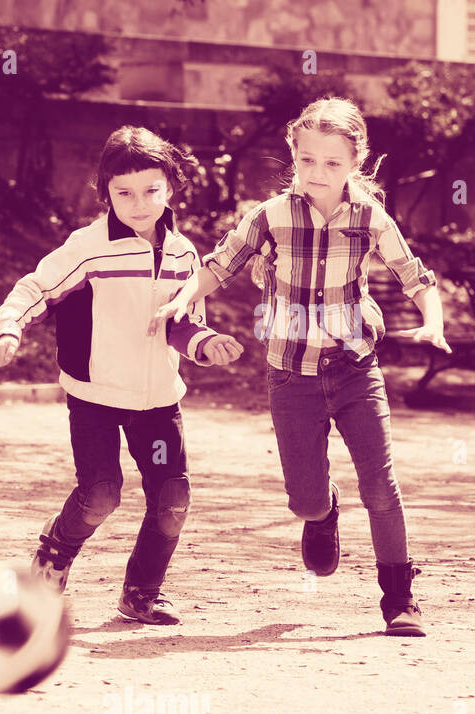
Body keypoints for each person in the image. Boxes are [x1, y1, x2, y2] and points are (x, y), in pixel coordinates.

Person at [158, 98, 449, 636]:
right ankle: (323, 513)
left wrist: (431, 320)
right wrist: (183, 297)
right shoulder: (269, 216)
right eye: (307, 160)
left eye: (332, 164)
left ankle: (400, 599)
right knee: (306, 500)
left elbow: (416, 275)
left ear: (354, 164)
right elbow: (218, 266)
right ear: (293, 154)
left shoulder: (369, 219)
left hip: (355, 368)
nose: (318, 173)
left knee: (382, 487)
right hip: (291, 376)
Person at [0, 125, 242, 624]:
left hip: (158, 401)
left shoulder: (186, 254)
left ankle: (142, 592)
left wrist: (206, 344)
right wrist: (8, 328)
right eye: (123, 192)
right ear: (105, 192)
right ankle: (54, 555)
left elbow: (181, 323)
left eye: (151, 190)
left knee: (173, 500)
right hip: (96, 396)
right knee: (100, 494)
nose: (139, 203)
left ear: (170, 188)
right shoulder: (88, 247)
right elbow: (36, 287)